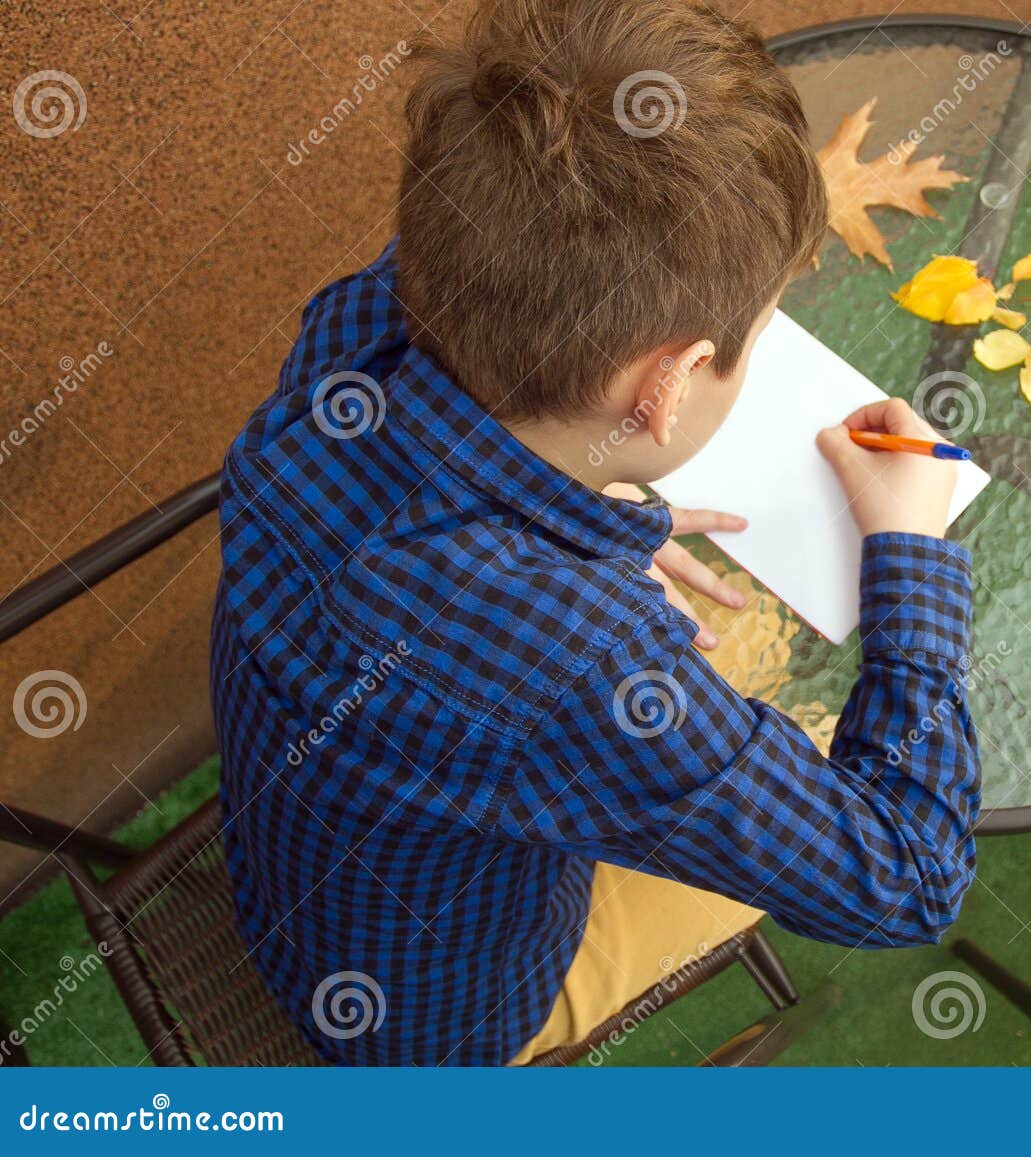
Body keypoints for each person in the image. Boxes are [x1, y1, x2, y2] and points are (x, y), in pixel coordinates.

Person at [211, 0, 980, 1065]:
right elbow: (905, 874)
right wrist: (911, 551)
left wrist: (586, 535)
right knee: (803, 740)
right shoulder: (579, 666)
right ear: (663, 385)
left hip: (288, 864)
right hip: (436, 1024)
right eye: (749, 342)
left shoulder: (362, 322)